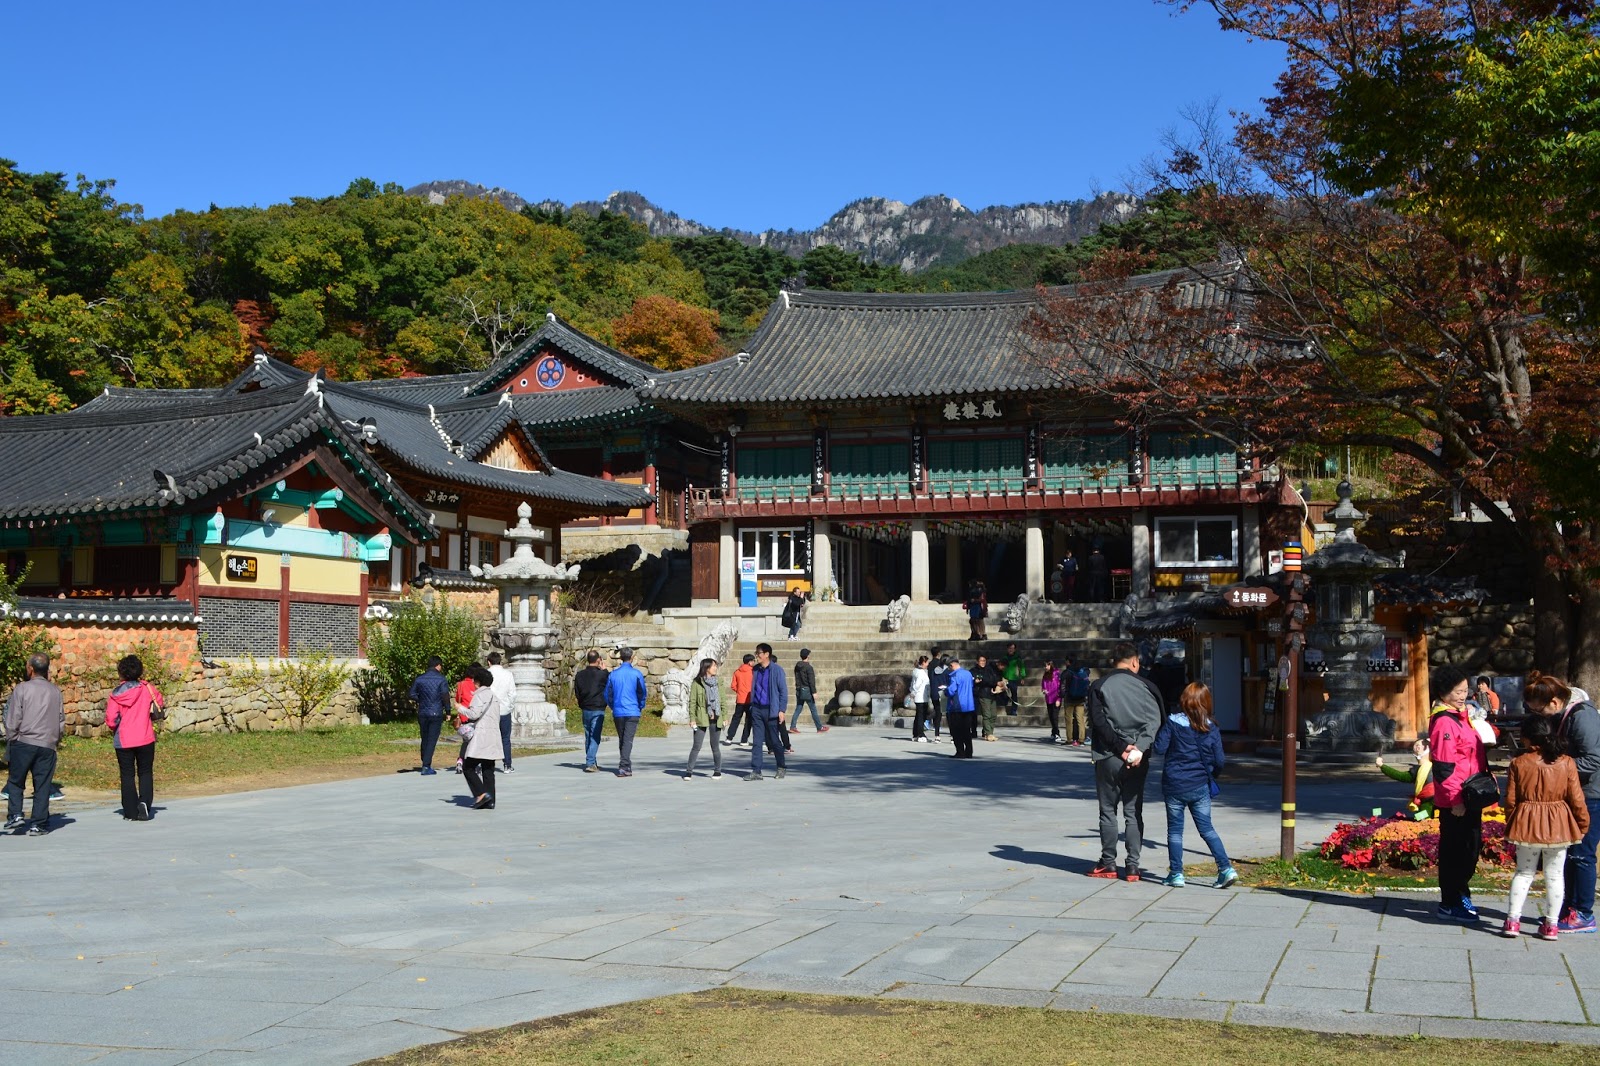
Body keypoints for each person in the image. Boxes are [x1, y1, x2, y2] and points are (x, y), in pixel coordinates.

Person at [1523, 671, 1600, 934]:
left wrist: (1558, 768)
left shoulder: (1583, 717)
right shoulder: (1566, 715)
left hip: (1591, 795)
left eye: (1540, 711)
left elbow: (1593, 759)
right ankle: (1568, 908)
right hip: (1575, 792)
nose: (1540, 717)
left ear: (1555, 702)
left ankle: (1583, 913)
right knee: (1571, 855)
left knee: (1582, 856)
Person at [1501, 714, 1590, 940]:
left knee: (1523, 872)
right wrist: (1582, 824)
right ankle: (1551, 925)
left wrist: (1511, 822)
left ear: (1528, 738)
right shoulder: (1566, 762)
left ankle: (1512, 921)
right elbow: (1576, 798)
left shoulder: (1518, 763)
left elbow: (1511, 800)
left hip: (1527, 822)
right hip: (1559, 822)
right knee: (1555, 875)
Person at [1086, 641, 1164, 881]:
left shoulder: (1099, 686)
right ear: (1134, 661)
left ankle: (1108, 863)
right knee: (1133, 811)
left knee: (1108, 811)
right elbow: (1156, 720)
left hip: (1108, 756)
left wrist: (1121, 749)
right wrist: (1138, 749)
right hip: (1138, 759)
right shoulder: (1147, 686)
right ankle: (1133, 866)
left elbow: (1099, 723)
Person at [1152, 682, 1236, 889]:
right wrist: (1211, 775)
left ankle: (1176, 874)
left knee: (1174, 831)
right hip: (1200, 785)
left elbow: (1159, 748)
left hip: (1174, 784)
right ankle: (1225, 868)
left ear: (1184, 701)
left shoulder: (1173, 723)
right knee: (1207, 829)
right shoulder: (1212, 727)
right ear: (1207, 702)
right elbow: (1220, 760)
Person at [1429, 664, 1488, 922]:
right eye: (1457, 691)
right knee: (1456, 850)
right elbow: (1444, 767)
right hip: (1456, 800)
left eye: (1465, 690)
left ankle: (1460, 893)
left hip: (1470, 795)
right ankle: (1450, 901)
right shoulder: (1444, 721)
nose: (1463, 696)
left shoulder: (1462, 717)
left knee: (1470, 848)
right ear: (1444, 693)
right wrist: (1456, 800)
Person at [4, 653, 64, 836]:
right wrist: (54, 739)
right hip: (47, 745)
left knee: (15, 782)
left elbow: (13, 718)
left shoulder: (22, 689)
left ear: (30, 669)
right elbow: (61, 720)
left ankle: (15, 814)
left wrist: (11, 738)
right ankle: (38, 824)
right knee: (43, 785)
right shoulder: (55, 691)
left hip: (23, 742)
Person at [104, 654, 164, 822]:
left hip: (124, 740)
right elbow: (159, 702)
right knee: (145, 772)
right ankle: (144, 802)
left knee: (127, 774)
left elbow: (110, 719)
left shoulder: (116, 694)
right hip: (146, 737)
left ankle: (130, 811)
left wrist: (115, 726)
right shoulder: (147, 688)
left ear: (121, 672)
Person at [458, 664, 502, 809]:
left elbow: (474, 714)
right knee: (488, 769)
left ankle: (481, 794)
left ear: (478, 682)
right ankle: (491, 800)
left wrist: (461, 709)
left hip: (481, 736)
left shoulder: (479, 697)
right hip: (493, 735)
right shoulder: (494, 697)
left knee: (468, 767)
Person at [747, 643, 789, 781]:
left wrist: (781, 710)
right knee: (757, 742)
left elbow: (783, 692)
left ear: (766, 654)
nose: (757, 655)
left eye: (759, 653)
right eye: (756, 652)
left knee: (774, 741)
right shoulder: (755, 670)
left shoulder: (777, 670)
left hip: (772, 711)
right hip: (757, 709)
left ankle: (781, 767)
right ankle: (756, 770)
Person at [605, 648, 648, 778]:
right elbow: (642, 693)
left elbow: (607, 693)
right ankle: (624, 766)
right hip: (632, 710)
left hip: (618, 711)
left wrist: (612, 705)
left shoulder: (613, 674)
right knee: (627, 739)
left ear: (620, 658)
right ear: (632, 657)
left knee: (623, 738)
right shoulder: (636, 674)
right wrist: (640, 706)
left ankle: (625, 763)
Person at [408, 656, 449, 775]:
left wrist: (421, 699)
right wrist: (447, 711)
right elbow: (445, 696)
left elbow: (411, 694)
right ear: (438, 665)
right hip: (436, 712)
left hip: (423, 712)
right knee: (432, 739)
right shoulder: (441, 679)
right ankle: (426, 765)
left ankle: (424, 759)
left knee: (424, 737)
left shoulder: (419, 679)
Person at [685, 658, 724, 780]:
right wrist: (692, 719)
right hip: (701, 717)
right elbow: (692, 702)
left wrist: (725, 717)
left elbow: (722, 701)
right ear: (707, 668)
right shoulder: (697, 683)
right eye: (713, 666)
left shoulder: (719, 682)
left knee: (715, 746)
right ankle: (689, 771)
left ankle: (717, 770)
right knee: (696, 746)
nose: (715, 668)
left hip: (716, 717)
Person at [572, 650, 610, 773]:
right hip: (598, 708)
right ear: (598, 660)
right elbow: (609, 686)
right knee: (595, 736)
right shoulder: (602, 674)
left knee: (588, 735)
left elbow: (577, 692)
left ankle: (592, 761)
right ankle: (590, 762)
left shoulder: (580, 675)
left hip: (586, 708)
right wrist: (604, 670)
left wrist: (581, 703)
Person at [487, 651, 517, 773]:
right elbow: (512, 693)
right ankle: (507, 764)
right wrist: (509, 706)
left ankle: (488, 764)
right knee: (505, 738)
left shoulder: (486, 674)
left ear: (489, 662)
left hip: (490, 711)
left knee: (489, 738)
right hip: (504, 709)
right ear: (500, 661)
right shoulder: (508, 674)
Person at [945, 655, 976, 758]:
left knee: (956, 731)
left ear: (951, 665)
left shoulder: (955, 676)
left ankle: (960, 752)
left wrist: (945, 690)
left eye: (949, 667)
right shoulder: (968, 673)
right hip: (969, 705)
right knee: (966, 730)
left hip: (957, 707)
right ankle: (969, 752)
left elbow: (951, 690)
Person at [791, 647, 827, 733]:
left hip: (799, 690)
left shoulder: (797, 666)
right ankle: (819, 727)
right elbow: (811, 681)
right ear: (807, 656)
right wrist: (814, 692)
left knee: (798, 709)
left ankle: (793, 726)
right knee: (813, 709)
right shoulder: (809, 667)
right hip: (807, 691)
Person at [451, 666, 478, 774]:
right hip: (474, 715)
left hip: (463, 716)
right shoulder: (477, 685)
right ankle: (473, 763)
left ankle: (460, 761)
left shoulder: (461, 684)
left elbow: (457, 699)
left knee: (466, 741)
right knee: (475, 741)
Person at [726, 653, 755, 747]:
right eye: (753, 661)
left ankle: (729, 738)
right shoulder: (753, 672)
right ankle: (744, 739)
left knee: (736, 718)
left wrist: (739, 691)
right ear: (750, 662)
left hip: (740, 699)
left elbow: (733, 686)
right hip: (750, 699)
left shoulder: (737, 672)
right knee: (749, 720)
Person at [974, 653, 1004, 742]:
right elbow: (983, 681)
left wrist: (999, 683)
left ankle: (990, 732)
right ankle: (989, 733)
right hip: (983, 694)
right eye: (981, 661)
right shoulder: (975, 670)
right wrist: (995, 683)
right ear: (977, 661)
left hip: (992, 694)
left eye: (984, 661)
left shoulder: (989, 669)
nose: (983, 662)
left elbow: (994, 678)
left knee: (993, 715)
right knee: (987, 715)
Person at [1063, 657, 1091, 746]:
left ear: (1068, 662)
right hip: (1081, 699)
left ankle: (1069, 739)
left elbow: (1063, 685)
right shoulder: (1082, 671)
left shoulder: (1067, 672)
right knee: (1080, 719)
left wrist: (1062, 695)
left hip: (1069, 699)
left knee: (1069, 720)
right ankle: (1081, 739)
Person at [928, 649, 950, 741]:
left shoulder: (934, 670)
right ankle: (952, 736)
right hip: (945, 694)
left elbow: (932, 683)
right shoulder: (948, 671)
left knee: (938, 714)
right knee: (949, 715)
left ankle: (937, 736)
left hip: (935, 694)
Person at [910, 655, 932, 743]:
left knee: (918, 716)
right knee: (921, 716)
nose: (928, 664)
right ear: (923, 663)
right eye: (927, 662)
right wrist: (914, 692)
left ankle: (915, 733)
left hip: (920, 696)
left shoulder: (916, 671)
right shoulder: (921, 673)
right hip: (921, 697)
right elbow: (917, 684)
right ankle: (920, 734)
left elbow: (912, 684)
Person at [1040, 660, 1064, 744]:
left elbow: (1060, 687)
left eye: (1047, 665)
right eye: (1045, 666)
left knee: (1054, 716)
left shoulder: (1057, 674)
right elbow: (1043, 685)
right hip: (1048, 698)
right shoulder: (1045, 675)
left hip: (1056, 698)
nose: (1045, 667)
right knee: (1051, 716)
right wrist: (1044, 690)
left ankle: (1057, 733)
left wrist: (1059, 699)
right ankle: (1053, 732)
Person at [1002, 643, 1025, 716]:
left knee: (1014, 694)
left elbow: (1022, 667)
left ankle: (1014, 710)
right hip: (1005, 678)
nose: (1011, 650)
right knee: (1003, 693)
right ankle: (1005, 703)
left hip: (1013, 679)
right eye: (1009, 648)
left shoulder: (1017, 658)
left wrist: (1022, 677)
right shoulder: (1004, 658)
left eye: (1012, 648)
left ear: (1015, 649)